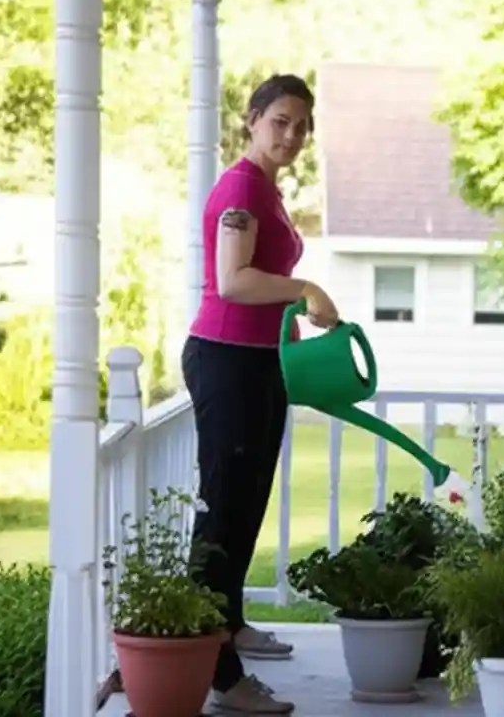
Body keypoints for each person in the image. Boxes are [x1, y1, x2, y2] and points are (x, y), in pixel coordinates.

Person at [182, 73, 338, 714]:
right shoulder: (242, 188)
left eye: (302, 124)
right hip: (226, 362)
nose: (293, 134)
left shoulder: (265, 190)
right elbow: (234, 280)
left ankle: (233, 623)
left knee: (245, 506)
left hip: (258, 362)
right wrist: (305, 289)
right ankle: (220, 675)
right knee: (224, 512)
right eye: (281, 121)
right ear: (251, 119)